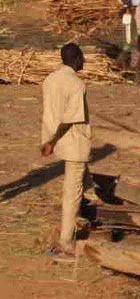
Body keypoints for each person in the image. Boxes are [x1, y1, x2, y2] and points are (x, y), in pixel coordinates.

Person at [39, 43, 92, 257]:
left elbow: (49, 111)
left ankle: (93, 208)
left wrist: (48, 140)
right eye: (83, 58)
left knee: (85, 183)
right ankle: (66, 240)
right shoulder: (76, 85)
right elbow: (69, 120)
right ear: (77, 58)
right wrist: (52, 141)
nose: (84, 62)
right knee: (72, 192)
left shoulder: (50, 79)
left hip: (57, 141)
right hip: (72, 144)